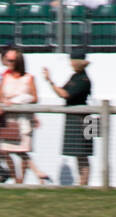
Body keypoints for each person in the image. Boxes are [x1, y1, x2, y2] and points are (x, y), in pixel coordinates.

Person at [0, 46, 51, 185]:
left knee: (23, 150)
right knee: (5, 150)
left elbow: (34, 98)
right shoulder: (5, 77)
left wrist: (17, 100)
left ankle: (22, 181)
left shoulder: (29, 78)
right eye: (7, 60)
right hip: (9, 120)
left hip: (24, 119)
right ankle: (16, 177)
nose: (9, 63)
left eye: (12, 60)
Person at [43, 50, 93, 187]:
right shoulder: (75, 77)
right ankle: (82, 183)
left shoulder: (83, 80)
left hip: (83, 119)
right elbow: (62, 91)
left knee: (83, 153)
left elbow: (65, 94)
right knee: (79, 154)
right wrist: (51, 83)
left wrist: (50, 81)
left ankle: (84, 183)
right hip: (78, 118)